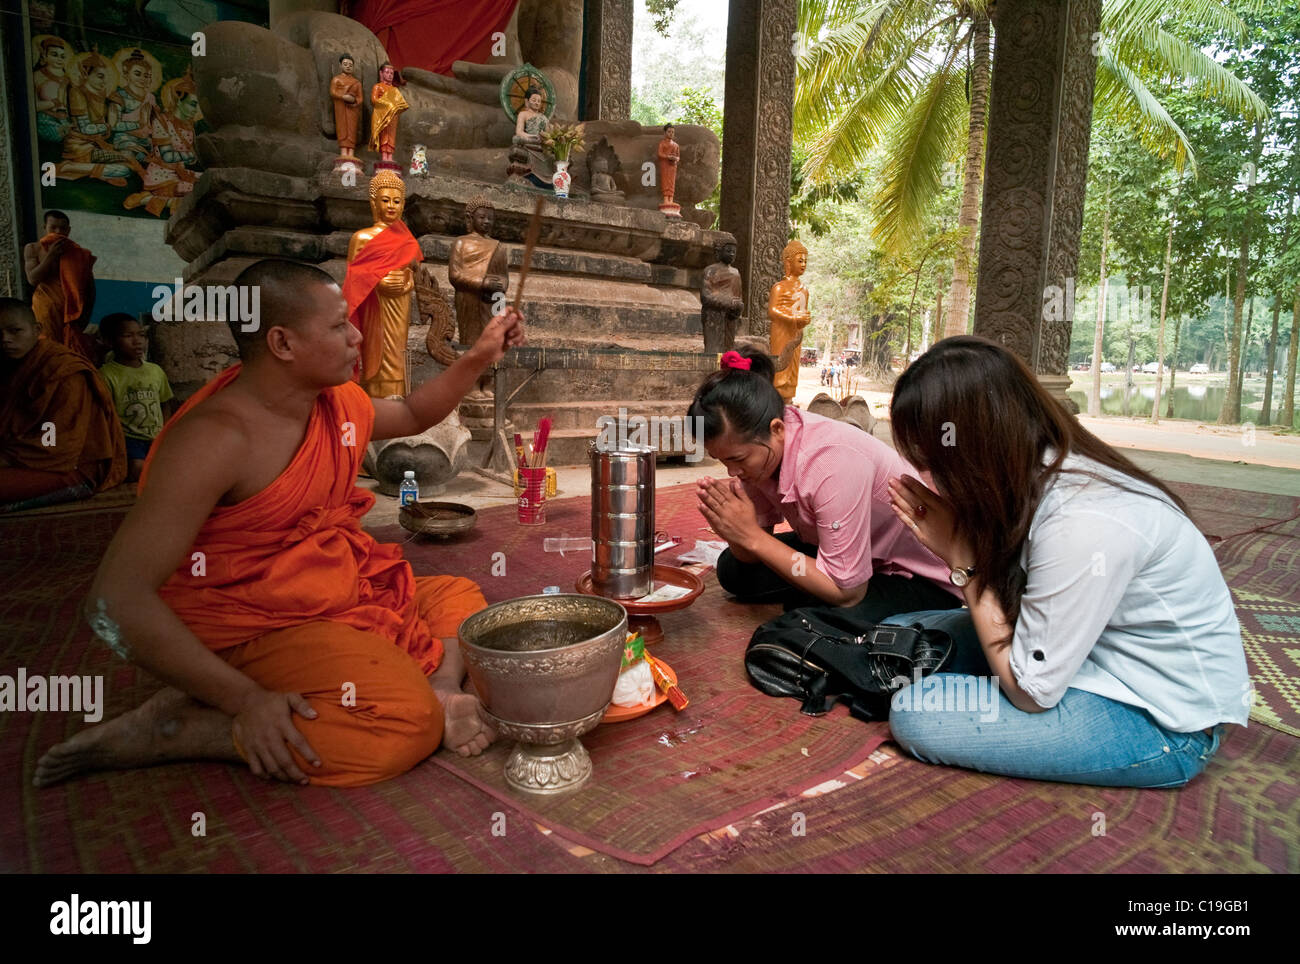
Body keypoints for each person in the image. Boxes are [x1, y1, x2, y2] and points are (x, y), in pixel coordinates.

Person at [33, 260, 526, 789]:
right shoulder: (215, 440)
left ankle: (443, 687)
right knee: (405, 725)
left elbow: (408, 412)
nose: (358, 336)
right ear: (282, 343)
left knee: (458, 599)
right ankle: (191, 727)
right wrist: (244, 700)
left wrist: (477, 357)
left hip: (328, 590)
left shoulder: (333, 402)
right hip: (256, 619)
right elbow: (113, 602)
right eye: (339, 326)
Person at [883, 336, 1248, 788]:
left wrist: (963, 561)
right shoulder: (1038, 470)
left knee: (918, 710)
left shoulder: (1083, 520)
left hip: (1160, 717)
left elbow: (1031, 692)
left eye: (934, 463)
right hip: (1088, 655)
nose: (929, 479)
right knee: (902, 631)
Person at [690, 346, 960, 624]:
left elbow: (848, 593)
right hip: (842, 549)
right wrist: (735, 530)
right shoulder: (760, 454)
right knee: (733, 570)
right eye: (721, 460)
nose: (732, 471)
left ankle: (817, 594)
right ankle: (815, 588)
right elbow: (750, 553)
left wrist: (751, 537)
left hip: (913, 573)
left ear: (777, 430)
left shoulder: (830, 463)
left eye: (738, 459)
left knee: (812, 616)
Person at [0, 298, 126, 511]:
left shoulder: (63, 371)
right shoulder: (11, 365)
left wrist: (5, 457)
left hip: (71, 465)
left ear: (36, 329)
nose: (5, 340)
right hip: (22, 457)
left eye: (15, 331)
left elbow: (58, 441)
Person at [98, 313, 174, 482]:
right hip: (128, 439)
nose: (137, 341)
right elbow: (104, 413)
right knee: (138, 469)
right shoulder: (107, 374)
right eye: (128, 336)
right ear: (109, 341)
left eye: (141, 335)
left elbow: (165, 402)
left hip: (155, 435)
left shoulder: (155, 371)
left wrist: (164, 430)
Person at [24, 210, 97, 358]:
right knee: (47, 351)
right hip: (45, 309)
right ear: (45, 227)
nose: (58, 232)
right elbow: (32, 279)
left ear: (69, 230)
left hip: (72, 315)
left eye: (63, 228)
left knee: (69, 355)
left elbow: (90, 290)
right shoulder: (33, 248)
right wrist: (51, 256)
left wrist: (83, 318)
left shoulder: (79, 254)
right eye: (53, 228)